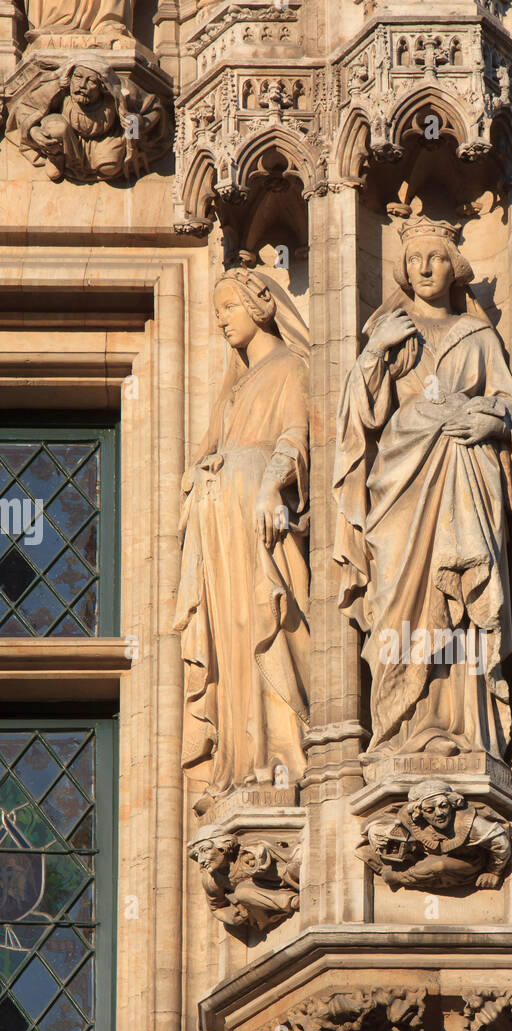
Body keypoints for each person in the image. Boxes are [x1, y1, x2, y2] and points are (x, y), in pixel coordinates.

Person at [333, 216, 512, 761]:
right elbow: (360, 419)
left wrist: (495, 423)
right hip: (401, 486)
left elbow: (511, 405)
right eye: (413, 258)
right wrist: (374, 354)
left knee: (462, 596)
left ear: (455, 268)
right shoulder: (390, 330)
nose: (423, 267)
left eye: (435, 257)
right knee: (401, 597)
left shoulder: (479, 336)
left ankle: (466, 727)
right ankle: (401, 727)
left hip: (466, 478)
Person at [174, 262, 310, 816]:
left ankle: (281, 755)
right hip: (220, 526)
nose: (222, 321)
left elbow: (298, 436)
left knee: (269, 628)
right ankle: (238, 759)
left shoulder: (289, 368)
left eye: (229, 308)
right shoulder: (233, 388)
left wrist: (271, 487)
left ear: (259, 306)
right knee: (229, 639)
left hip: (257, 521)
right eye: (216, 313)